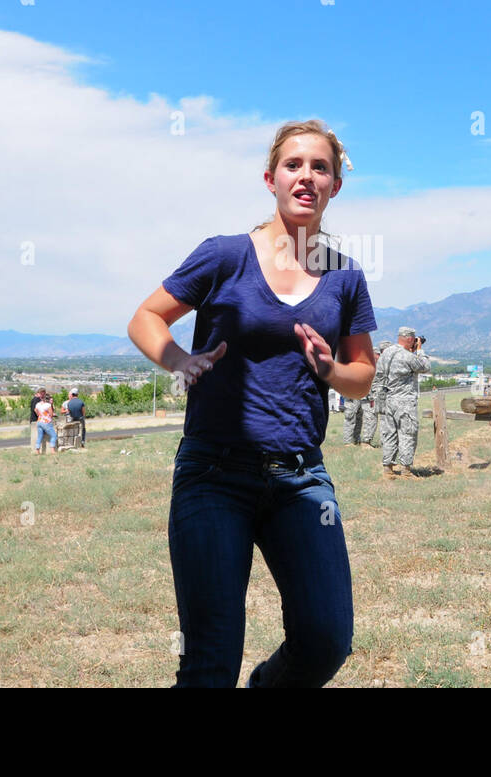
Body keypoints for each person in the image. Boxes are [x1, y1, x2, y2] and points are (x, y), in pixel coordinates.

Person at [126, 118, 376, 688]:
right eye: (294, 165)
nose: (307, 177)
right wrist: (177, 361)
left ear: (335, 185)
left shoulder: (346, 277)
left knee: (326, 640)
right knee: (212, 661)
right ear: (271, 178)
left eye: (321, 168)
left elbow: (363, 376)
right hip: (214, 474)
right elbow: (146, 317)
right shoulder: (223, 256)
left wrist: (331, 369)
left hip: (301, 477)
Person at [377, 328, 429, 476]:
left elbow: (378, 374)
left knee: (389, 434)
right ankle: (406, 469)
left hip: (387, 399)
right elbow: (425, 366)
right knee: (407, 433)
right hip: (405, 400)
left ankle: (388, 468)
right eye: (413, 339)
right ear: (409, 339)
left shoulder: (386, 353)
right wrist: (419, 350)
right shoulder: (407, 356)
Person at [362, 342, 388, 447]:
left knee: (384, 420)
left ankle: (384, 442)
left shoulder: (383, 365)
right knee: (370, 419)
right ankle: (366, 442)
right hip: (369, 398)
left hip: (380, 397)